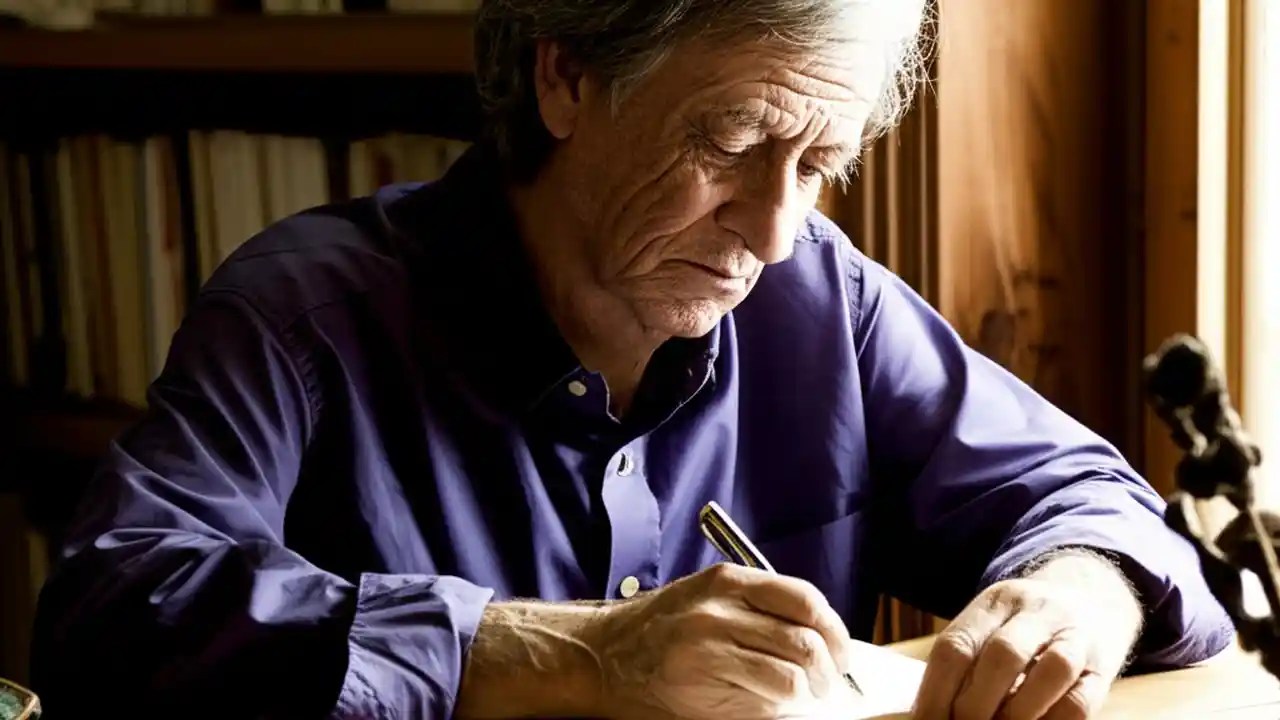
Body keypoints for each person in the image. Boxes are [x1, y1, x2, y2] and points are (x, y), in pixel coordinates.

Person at [30, 1, 1234, 718]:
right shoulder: (304, 315)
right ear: (565, 76)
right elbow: (113, 613)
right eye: (733, 142)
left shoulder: (824, 298)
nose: (774, 230)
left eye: (818, 165)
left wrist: (1071, 593)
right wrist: (568, 654)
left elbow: (1098, 509)